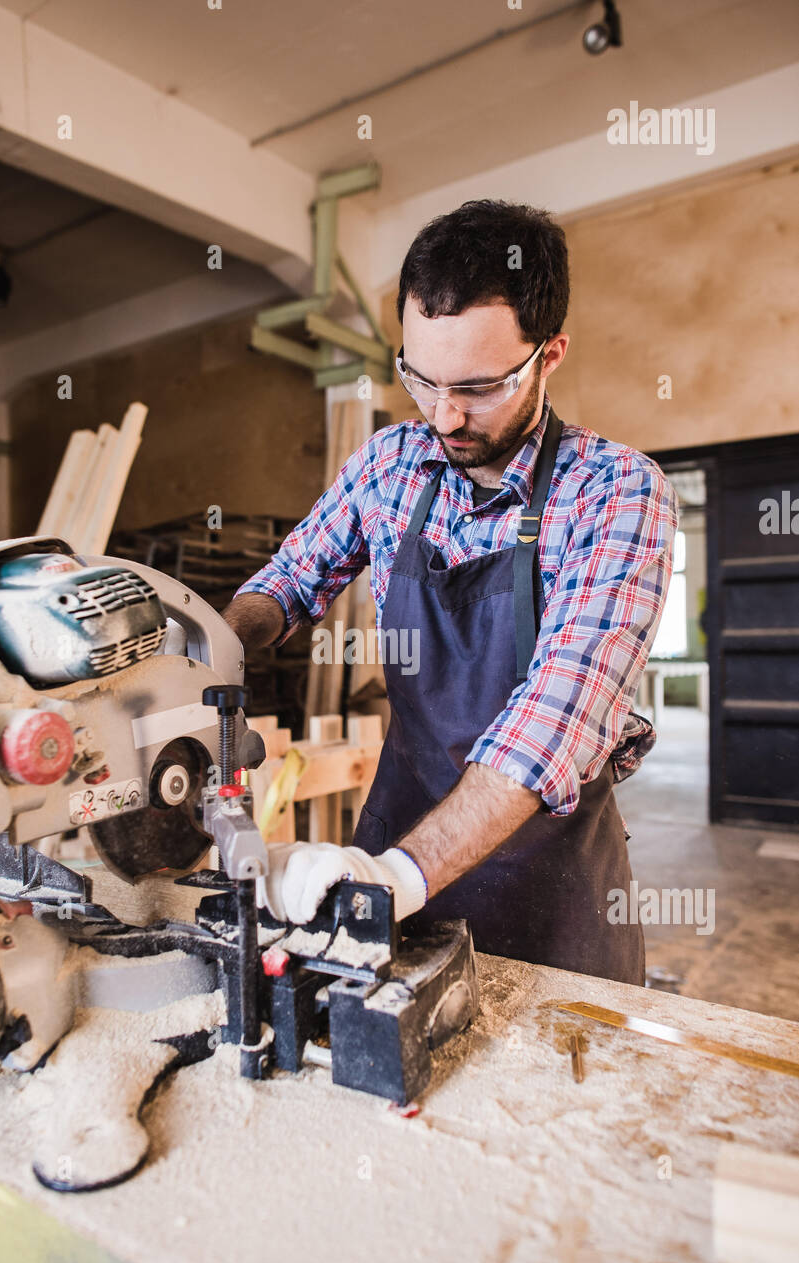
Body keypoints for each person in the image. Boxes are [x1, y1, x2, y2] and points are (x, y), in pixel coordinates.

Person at [224, 200, 678, 984]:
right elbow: (289, 581)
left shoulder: (617, 492)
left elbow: (555, 720)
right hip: (402, 820)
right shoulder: (388, 464)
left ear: (550, 354)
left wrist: (400, 875)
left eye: (477, 386)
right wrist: (207, 644)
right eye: (420, 378)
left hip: (547, 883)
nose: (443, 415)